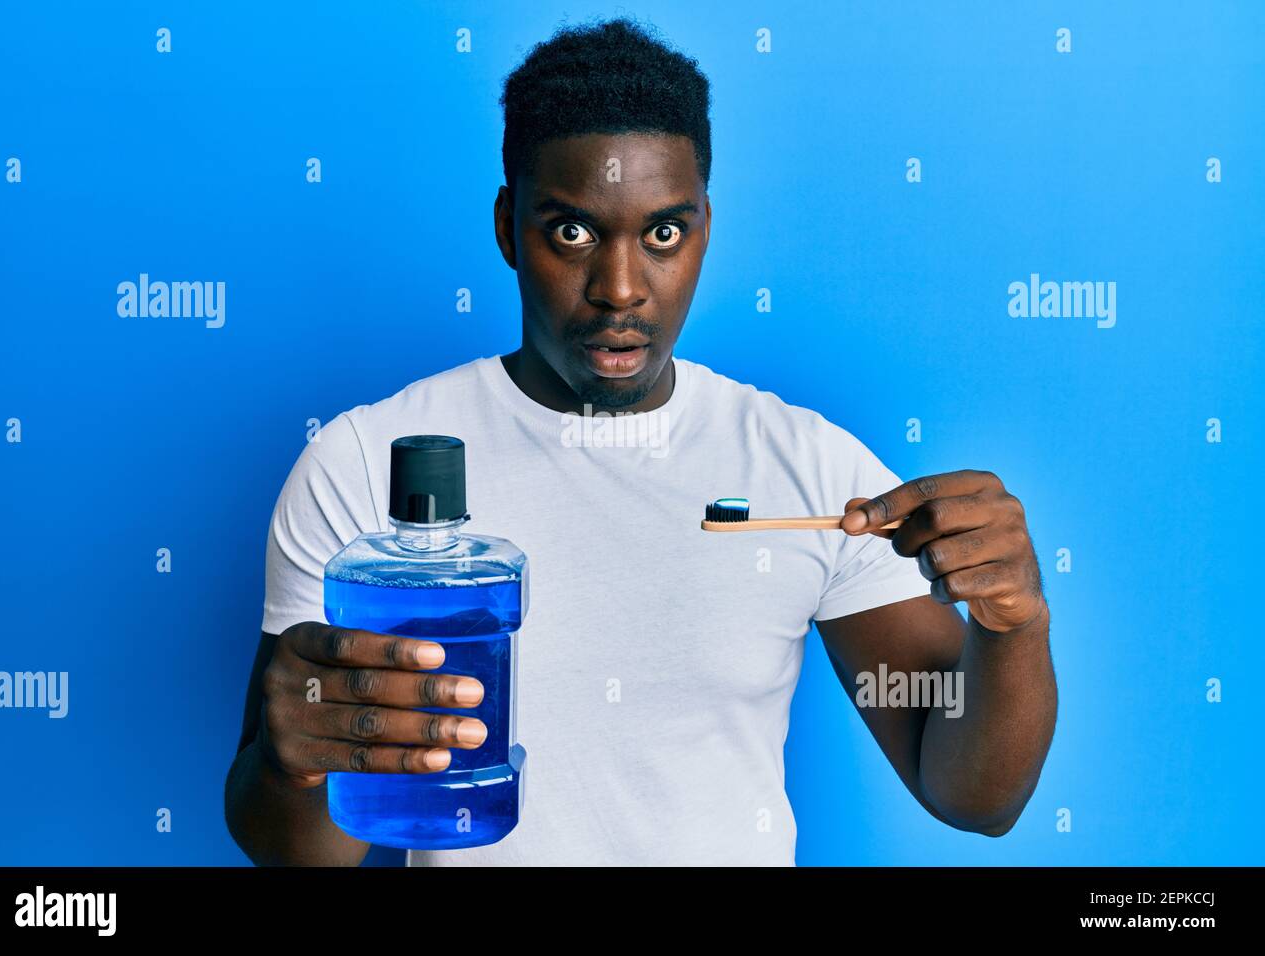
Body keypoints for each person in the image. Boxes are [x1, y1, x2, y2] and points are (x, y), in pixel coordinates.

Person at [224, 16, 1057, 867]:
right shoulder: (365, 465)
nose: (620, 290)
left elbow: (973, 797)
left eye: (663, 233)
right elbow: (298, 856)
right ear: (509, 226)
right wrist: (291, 768)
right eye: (573, 232)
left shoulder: (807, 469)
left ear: (705, 228)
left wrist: (1015, 625)